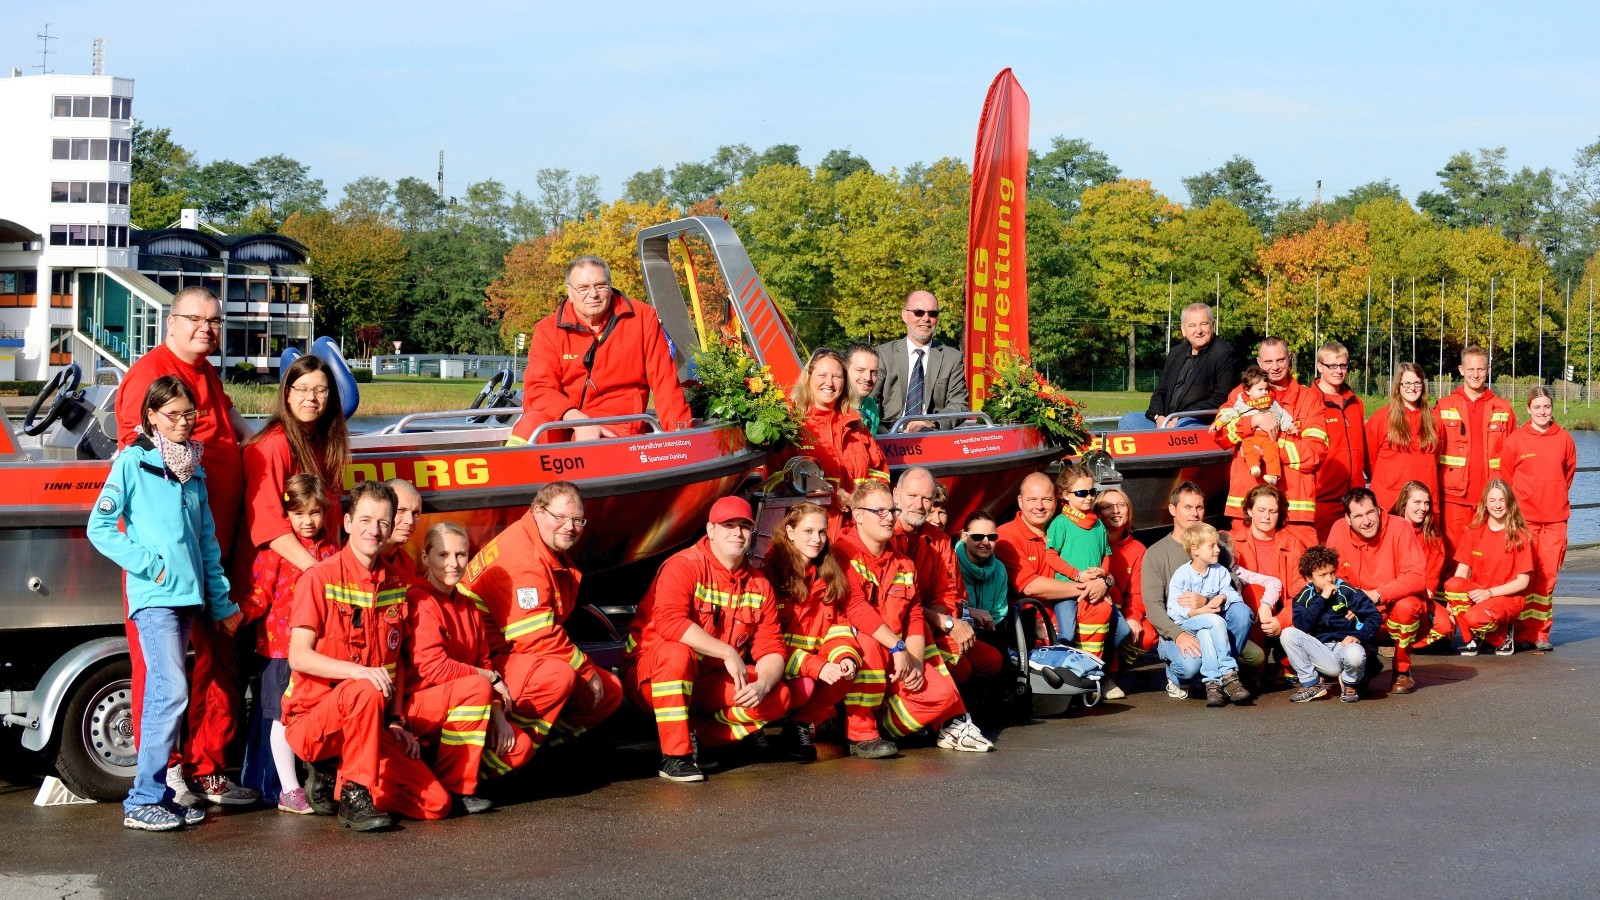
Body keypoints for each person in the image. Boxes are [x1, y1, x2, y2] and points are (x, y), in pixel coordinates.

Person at [113, 285, 253, 808]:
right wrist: (153, 561)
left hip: (211, 552)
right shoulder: (150, 374)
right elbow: (135, 464)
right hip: (168, 559)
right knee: (159, 667)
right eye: (195, 318)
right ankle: (165, 771)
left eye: (214, 321)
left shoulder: (207, 374)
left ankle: (207, 768)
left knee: (218, 656)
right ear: (170, 323)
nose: (206, 328)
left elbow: (238, 429)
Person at [89, 375, 239, 831]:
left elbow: (207, 543)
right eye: (172, 414)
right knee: (170, 691)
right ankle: (142, 800)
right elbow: (100, 527)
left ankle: (158, 797)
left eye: (189, 413)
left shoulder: (193, 469)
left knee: (167, 692)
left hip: (188, 599)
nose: (182, 422)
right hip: (155, 598)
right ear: (151, 416)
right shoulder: (133, 462)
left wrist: (222, 602)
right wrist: (151, 566)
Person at [284, 481, 455, 830]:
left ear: (390, 529)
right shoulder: (319, 578)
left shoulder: (395, 584)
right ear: (347, 523)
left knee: (437, 804)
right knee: (366, 688)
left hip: (371, 721)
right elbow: (298, 657)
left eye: (382, 522)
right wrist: (356, 672)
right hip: (314, 721)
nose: (373, 530)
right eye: (364, 520)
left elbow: (397, 662)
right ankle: (354, 794)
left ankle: (342, 779)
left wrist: (395, 721)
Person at [622, 496, 792, 782]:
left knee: (779, 696)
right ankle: (676, 757)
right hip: (653, 675)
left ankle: (703, 736)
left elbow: (771, 646)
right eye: (728, 525)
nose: (738, 533)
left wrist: (763, 684)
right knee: (677, 653)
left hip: (707, 679)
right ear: (710, 530)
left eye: (744, 526)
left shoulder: (760, 584)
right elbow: (670, 623)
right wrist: (727, 652)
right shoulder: (684, 565)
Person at [457, 482, 624, 772]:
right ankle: (489, 766)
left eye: (577, 520)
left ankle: (545, 748)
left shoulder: (537, 542)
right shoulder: (525, 558)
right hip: (482, 662)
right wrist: (585, 669)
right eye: (560, 517)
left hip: (506, 654)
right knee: (558, 676)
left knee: (609, 691)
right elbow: (536, 638)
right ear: (537, 511)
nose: (569, 527)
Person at [834, 481, 992, 754]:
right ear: (857, 515)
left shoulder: (903, 563)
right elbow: (856, 609)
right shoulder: (842, 553)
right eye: (879, 511)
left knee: (943, 695)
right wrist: (898, 647)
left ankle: (885, 727)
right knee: (869, 645)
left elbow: (915, 613)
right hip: (856, 650)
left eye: (891, 511)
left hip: (896, 650)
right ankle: (861, 733)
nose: (888, 517)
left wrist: (916, 663)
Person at [509, 254, 693, 445]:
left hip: (616, 426)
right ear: (569, 292)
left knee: (589, 443)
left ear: (610, 286)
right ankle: (510, 463)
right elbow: (538, 389)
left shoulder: (643, 318)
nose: (593, 294)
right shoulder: (548, 330)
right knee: (531, 425)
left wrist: (681, 438)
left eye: (601, 285)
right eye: (583, 288)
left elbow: (665, 382)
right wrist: (577, 420)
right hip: (565, 420)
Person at [237, 473, 337, 814]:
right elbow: (259, 594)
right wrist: (237, 616)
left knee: (308, 714)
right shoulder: (275, 551)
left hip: (318, 651)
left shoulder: (332, 550)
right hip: (279, 650)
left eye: (314, 513)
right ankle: (288, 790)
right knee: (279, 716)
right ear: (286, 515)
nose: (308, 521)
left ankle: (311, 783)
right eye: (299, 514)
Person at [401, 522, 507, 814]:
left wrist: (497, 712)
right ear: (425, 558)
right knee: (477, 687)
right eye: (443, 555)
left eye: (461, 555)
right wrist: (489, 679)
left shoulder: (468, 605)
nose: (454, 563)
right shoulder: (419, 600)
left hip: (457, 700)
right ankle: (455, 788)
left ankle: (465, 772)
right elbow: (434, 669)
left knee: (518, 745)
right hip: (418, 707)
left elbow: (483, 660)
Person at [1140, 482, 1261, 700]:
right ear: (1172, 509)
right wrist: (1177, 635)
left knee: (1244, 619)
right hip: (1181, 625)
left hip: (1215, 620)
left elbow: (1234, 587)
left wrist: (1206, 600)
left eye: (1199, 507)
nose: (1195, 513)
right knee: (1189, 668)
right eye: (1188, 507)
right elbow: (1153, 606)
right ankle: (1177, 675)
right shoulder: (1156, 554)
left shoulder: (1217, 548)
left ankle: (1223, 676)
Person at [761, 501, 863, 761]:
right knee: (804, 687)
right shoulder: (769, 577)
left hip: (806, 665)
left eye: (821, 532)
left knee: (845, 672)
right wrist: (815, 665)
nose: (816, 539)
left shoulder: (828, 575)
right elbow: (765, 642)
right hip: (772, 666)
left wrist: (844, 656)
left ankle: (797, 725)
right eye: (808, 531)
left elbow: (837, 625)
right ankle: (754, 730)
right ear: (790, 532)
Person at [1211, 337, 1328, 545]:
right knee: (1247, 566)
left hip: (1294, 510)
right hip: (1248, 508)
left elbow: (1316, 452)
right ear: (1258, 362)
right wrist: (1253, 421)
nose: (1275, 367)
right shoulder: (1241, 394)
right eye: (1268, 362)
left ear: (1290, 358)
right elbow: (1219, 435)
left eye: (1280, 360)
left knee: (1301, 565)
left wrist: (1270, 449)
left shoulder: (1309, 399)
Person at [893, 468, 1002, 685]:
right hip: (897, 630)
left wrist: (943, 622)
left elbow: (948, 594)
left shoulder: (940, 541)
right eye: (912, 496)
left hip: (934, 626)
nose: (919, 504)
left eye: (926, 498)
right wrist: (947, 623)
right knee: (960, 668)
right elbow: (896, 602)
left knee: (992, 660)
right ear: (896, 495)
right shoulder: (884, 534)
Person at [1324, 488, 1429, 695]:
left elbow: (1417, 577)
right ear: (1348, 519)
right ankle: (1365, 662)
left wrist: (1376, 595)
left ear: (1379, 510)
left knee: (1407, 607)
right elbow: (1333, 577)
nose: (1367, 521)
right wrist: (1353, 601)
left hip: (1391, 606)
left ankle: (1402, 670)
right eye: (1358, 516)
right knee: (1330, 607)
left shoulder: (1401, 527)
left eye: (1370, 513)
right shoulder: (1338, 529)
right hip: (1358, 608)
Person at [1501, 387, 1577, 651]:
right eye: (1537, 407)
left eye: (1546, 407)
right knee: (1525, 575)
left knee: (1547, 578)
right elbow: (1506, 478)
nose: (1542, 412)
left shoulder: (1564, 439)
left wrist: (1554, 497)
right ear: (1529, 409)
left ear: (1551, 408)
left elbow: (1568, 475)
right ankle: (1522, 632)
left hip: (1555, 520)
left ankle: (1541, 634)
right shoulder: (1516, 440)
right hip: (1525, 520)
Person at [770, 348, 888, 517]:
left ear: (845, 382)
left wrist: (864, 499)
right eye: (822, 375)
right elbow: (776, 484)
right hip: (812, 527)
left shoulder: (856, 425)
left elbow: (880, 474)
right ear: (808, 379)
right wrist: (829, 496)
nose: (829, 383)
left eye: (836, 376)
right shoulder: (791, 427)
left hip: (856, 525)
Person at [1043, 465, 1123, 696]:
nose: (1089, 497)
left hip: (1097, 589)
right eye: (1082, 493)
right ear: (1065, 495)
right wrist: (1077, 575)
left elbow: (1106, 554)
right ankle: (1064, 682)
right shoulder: (1060, 523)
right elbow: (1051, 556)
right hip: (1069, 592)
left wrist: (1102, 572)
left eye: (1092, 492)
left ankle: (1100, 674)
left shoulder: (1098, 524)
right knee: (1066, 635)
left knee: (1121, 630)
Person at [1435, 346, 1516, 557]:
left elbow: (1513, 457)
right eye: (1470, 369)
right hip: (1454, 497)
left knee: (1491, 555)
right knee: (1453, 556)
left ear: (1488, 370)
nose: (1476, 374)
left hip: (1492, 498)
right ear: (1461, 370)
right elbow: (1432, 453)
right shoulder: (1443, 407)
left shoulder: (1503, 408)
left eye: (1480, 369)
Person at [1442, 480, 1533, 657]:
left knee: (1474, 618)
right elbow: (1460, 573)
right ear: (1484, 503)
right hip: (1479, 593)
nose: (1497, 505)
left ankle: (1503, 637)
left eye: (1502, 500)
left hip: (1506, 597)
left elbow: (1523, 582)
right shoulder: (1473, 532)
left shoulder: (1519, 536)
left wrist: (1489, 593)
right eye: (1492, 500)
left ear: (1510, 502)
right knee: (1452, 584)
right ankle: (1472, 639)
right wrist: (1451, 603)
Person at [1281, 545, 1383, 704]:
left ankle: (1350, 683)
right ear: (1309, 577)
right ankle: (1311, 684)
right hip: (1321, 650)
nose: (1329, 579)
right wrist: (1322, 598)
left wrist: (1359, 636)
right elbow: (1301, 626)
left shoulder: (1346, 590)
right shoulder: (1303, 597)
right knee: (1288, 634)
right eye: (1322, 575)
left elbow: (1374, 616)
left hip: (1345, 646)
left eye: (1332, 573)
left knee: (1355, 655)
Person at [1231, 484, 1311, 684]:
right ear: (1249, 510)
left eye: (1273, 511)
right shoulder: (1232, 542)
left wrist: (1281, 621)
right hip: (1248, 614)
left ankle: (1287, 664)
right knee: (1256, 593)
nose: (1266, 517)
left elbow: (1302, 594)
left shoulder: (1293, 544)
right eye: (1261, 510)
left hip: (1283, 612)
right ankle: (1254, 668)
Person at [1165, 524, 1252, 707]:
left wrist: (1222, 596)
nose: (1217, 549)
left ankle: (1212, 683)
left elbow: (1234, 595)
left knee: (1206, 633)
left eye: (1217, 545)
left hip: (1205, 625)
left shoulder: (1220, 571)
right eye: (1211, 546)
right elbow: (1173, 608)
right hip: (1187, 623)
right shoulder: (1182, 575)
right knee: (1215, 621)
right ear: (1195, 550)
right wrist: (1198, 611)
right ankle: (1228, 673)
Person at [1119, 302, 1238, 430]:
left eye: (1203, 324)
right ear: (1183, 330)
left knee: (1182, 426)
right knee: (1128, 420)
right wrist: (1159, 418)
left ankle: (1166, 438)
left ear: (1213, 325)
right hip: (1167, 419)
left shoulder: (1225, 354)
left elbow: (1221, 398)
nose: (1198, 331)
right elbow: (1160, 392)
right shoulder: (1176, 353)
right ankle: (1160, 439)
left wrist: (1182, 416)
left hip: (1198, 420)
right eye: (1192, 325)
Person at [872, 290, 969, 432]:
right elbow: (867, 398)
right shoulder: (883, 355)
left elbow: (959, 404)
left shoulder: (952, 358)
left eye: (932, 313)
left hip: (931, 436)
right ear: (904, 315)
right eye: (918, 312)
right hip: (888, 436)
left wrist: (932, 422)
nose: (926, 319)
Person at [1365, 362, 1441, 513]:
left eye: (1417, 383)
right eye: (1406, 383)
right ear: (1398, 386)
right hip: (1389, 502)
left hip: (1424, 503)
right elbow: (1369, 460)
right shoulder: (1381, 418)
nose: (1412, 388)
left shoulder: (1435, 420)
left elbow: (1436, 457)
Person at [1310, 342, 1366, 540]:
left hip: (1355, 500)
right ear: (1319, 366)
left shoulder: (1356, 403)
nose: (1338, 371)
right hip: (1323, 500)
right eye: (1332, 366)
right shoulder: (1310, 402)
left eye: (1343, 365)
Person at [1096, 489, 1157, 671]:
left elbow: (1137, 592)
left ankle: (1119, 663)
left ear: (1128, 510)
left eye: (1121, 505)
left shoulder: (1138, 549)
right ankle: (1108, 669)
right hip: (1097, 609)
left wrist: (1133, 617)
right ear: (1098, 513)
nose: (1115, 511)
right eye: (1108, 507)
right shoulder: (1091, 542)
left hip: (1122, 612)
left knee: (1148, 634)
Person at [1390, 480, 1454, 649]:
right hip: (1390, 594)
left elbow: (1431, 579)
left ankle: (1403, 642)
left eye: (1426, 503)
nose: (1423, 508)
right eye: (1417, 502)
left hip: (1420, 597)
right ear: (1404, 503)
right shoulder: (1388, 528)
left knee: (1446, 629)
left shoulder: (1433, 536)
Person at [1210, 366, 1296, 484]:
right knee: (1247, 448)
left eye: (1266, 389)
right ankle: (1254, 467)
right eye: (1260, 389)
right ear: (1248, 391)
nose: (1264, 392)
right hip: (1250, 435)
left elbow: (1282, 415)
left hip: (1269, 437)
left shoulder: (1272, 402)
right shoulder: (1242, 403)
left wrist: (1289, 427)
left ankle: (1273, 475)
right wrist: (1220, 422)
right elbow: (1231, 413)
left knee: (1272, 452)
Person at [956, 513, 1008, 633]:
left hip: (988, 634)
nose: (986, 542)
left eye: (992, 537)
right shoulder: (949, 564)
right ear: (964, 536)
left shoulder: (999, 570)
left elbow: (999, 614)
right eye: (978, 537)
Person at [380, 478, 424, 576]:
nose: (410, 521)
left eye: (415, 513)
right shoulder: (357, 558)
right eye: (400, 510)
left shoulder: (406, 564)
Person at [846, 344, 883, 434]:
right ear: (845, 370)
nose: (868, 378)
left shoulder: (871, 406)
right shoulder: (833, 406)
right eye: (860, 370)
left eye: (874, 372)